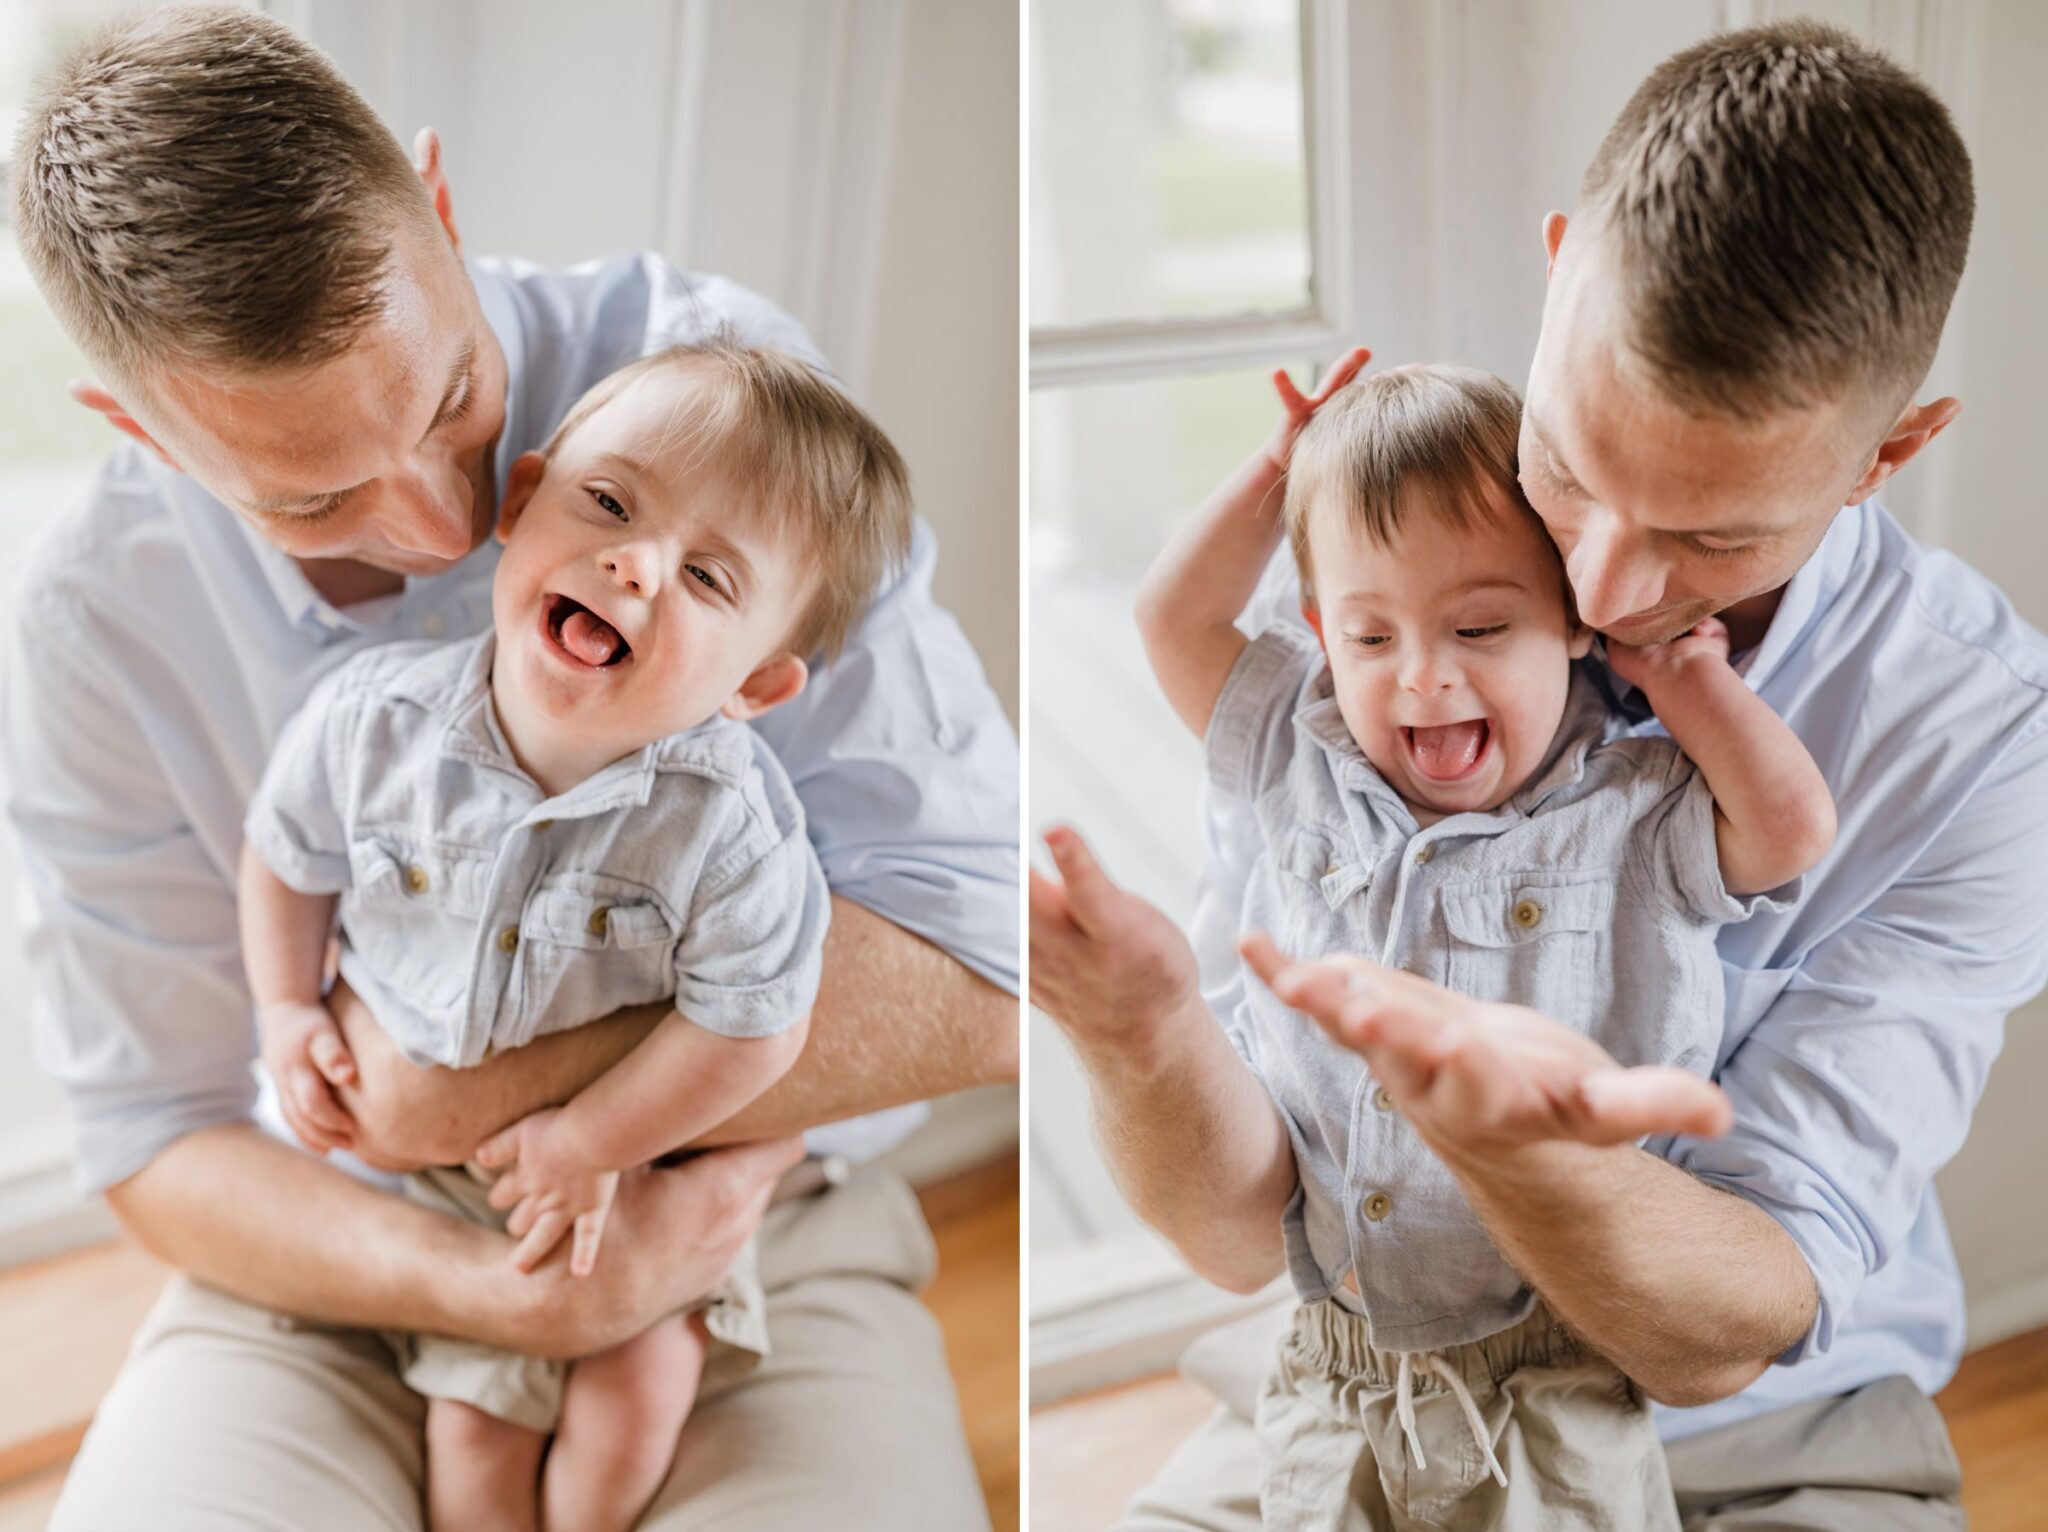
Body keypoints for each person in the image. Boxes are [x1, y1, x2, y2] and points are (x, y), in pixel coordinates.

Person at [5, 8, 1016, 1529]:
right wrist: (494, 1282)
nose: (441, 524)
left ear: (441, 207)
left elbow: (989, 966)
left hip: (746, 1208)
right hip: (342, 1241)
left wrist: (448, 1102)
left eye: (453, 397)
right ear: (142, 434)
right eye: (312, 497)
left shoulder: (720, 402)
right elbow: (155, 1136)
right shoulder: (98, 618)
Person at [1030, 21, 2048, 1529]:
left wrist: (1518, 1151)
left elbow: (1726, 1332)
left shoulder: (1982, 743)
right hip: (1368, 1368)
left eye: (1712, 537)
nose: (1605, 587)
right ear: (1558, 265)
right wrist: (1138, 1033)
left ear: (1885, 455)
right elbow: (1238, 1238)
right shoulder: (1390, 596)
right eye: (1569, 467)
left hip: (1759, 1428)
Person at [1087, 355, 1833, 1529]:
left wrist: (1680, 675)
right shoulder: (1296, 747)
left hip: (1551, 1368)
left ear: (1574, 616)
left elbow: (1790, 830)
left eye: (1479, 625)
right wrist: (1278, 471)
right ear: (1319, 631)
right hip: (1337, 1351)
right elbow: (1169, 616)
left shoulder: (1633, 806)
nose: (1423, 675)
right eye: (1367, 634)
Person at [240, 340, 910, 1531]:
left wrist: (593, 1141)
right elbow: (284, 858)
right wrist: (288, 1006)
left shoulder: (730, 829)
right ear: (520, 501)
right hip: (443, 1192)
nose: (635, 562)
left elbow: (752, 1028)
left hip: (639, 1165)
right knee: (474, 1428)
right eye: (608, 503)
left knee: (635, 1401)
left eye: (706, 577)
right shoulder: (370, 724)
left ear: (755, 684)